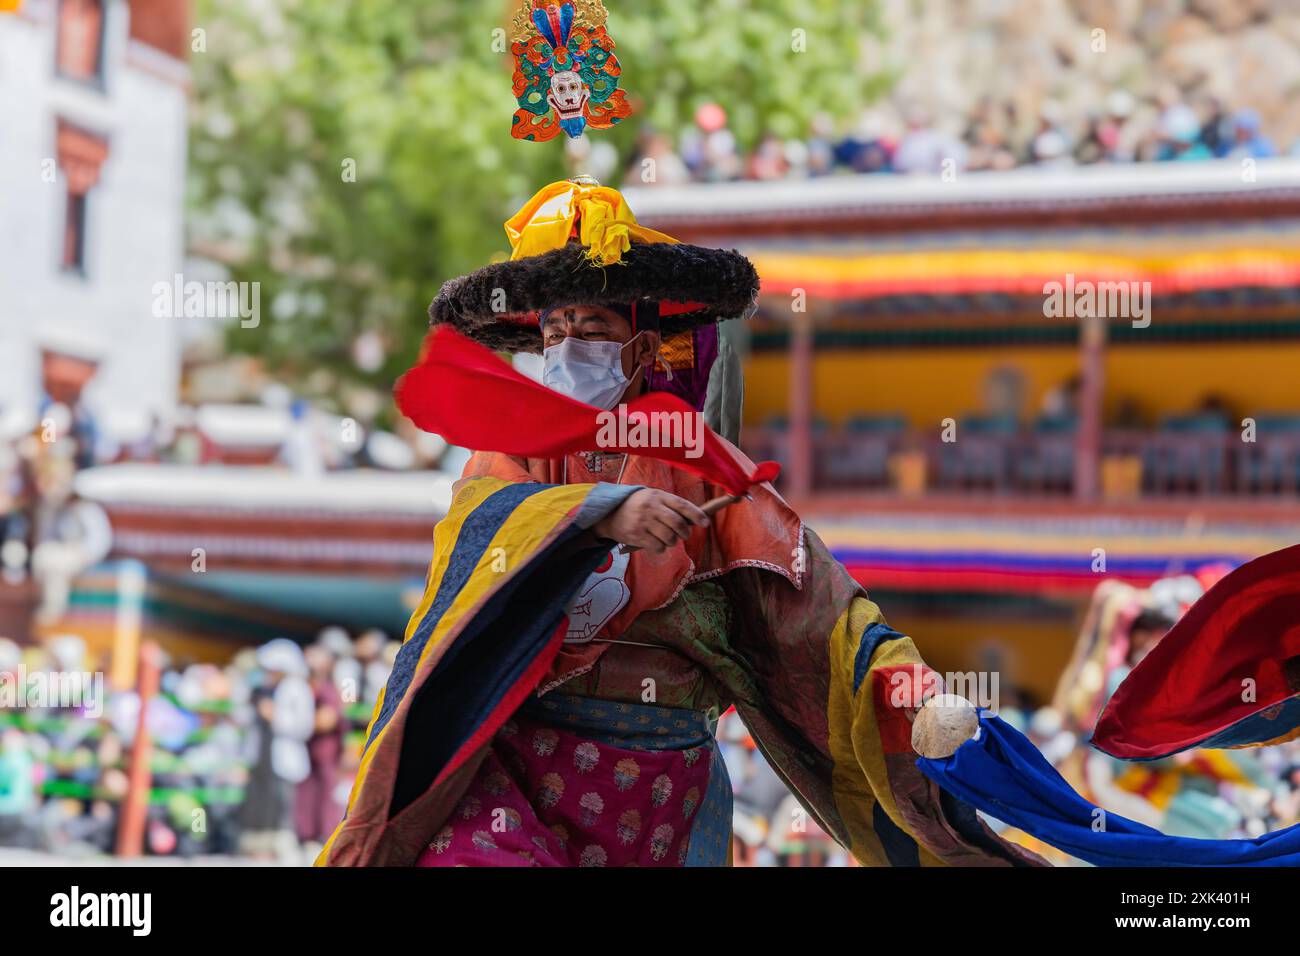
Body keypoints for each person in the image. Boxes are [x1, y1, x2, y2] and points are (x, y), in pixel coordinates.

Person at [318, 179, 1041, 868]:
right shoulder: (508, 454)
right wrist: (602, 516)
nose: (569, 342)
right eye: (557, 328)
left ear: (636, 351)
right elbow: (480, 544)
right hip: (513, 770)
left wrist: (912, 688)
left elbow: (818, 612)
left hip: (664, 792)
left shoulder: (701, 460)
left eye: (592, 326)